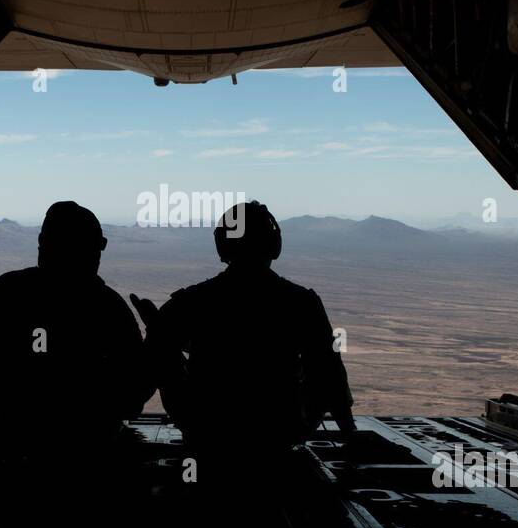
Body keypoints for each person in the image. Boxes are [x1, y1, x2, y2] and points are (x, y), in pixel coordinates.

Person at [131, 200, 354, 480]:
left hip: (208, 429)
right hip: (279, 432)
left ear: (223, 246)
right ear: (273, 244)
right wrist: (350, 436)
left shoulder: (192, 301)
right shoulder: (302, 303)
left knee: (164, 347)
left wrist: (158, 328)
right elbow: (329, 371)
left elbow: (158, 359)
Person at [0, 201, 148, 464]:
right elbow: (132, 400)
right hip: (87, 443)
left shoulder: (7, 289)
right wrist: (160, 342)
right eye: (97, 244)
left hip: (14, 436)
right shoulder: (106, 305)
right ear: (90, 248)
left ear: (42, 243)